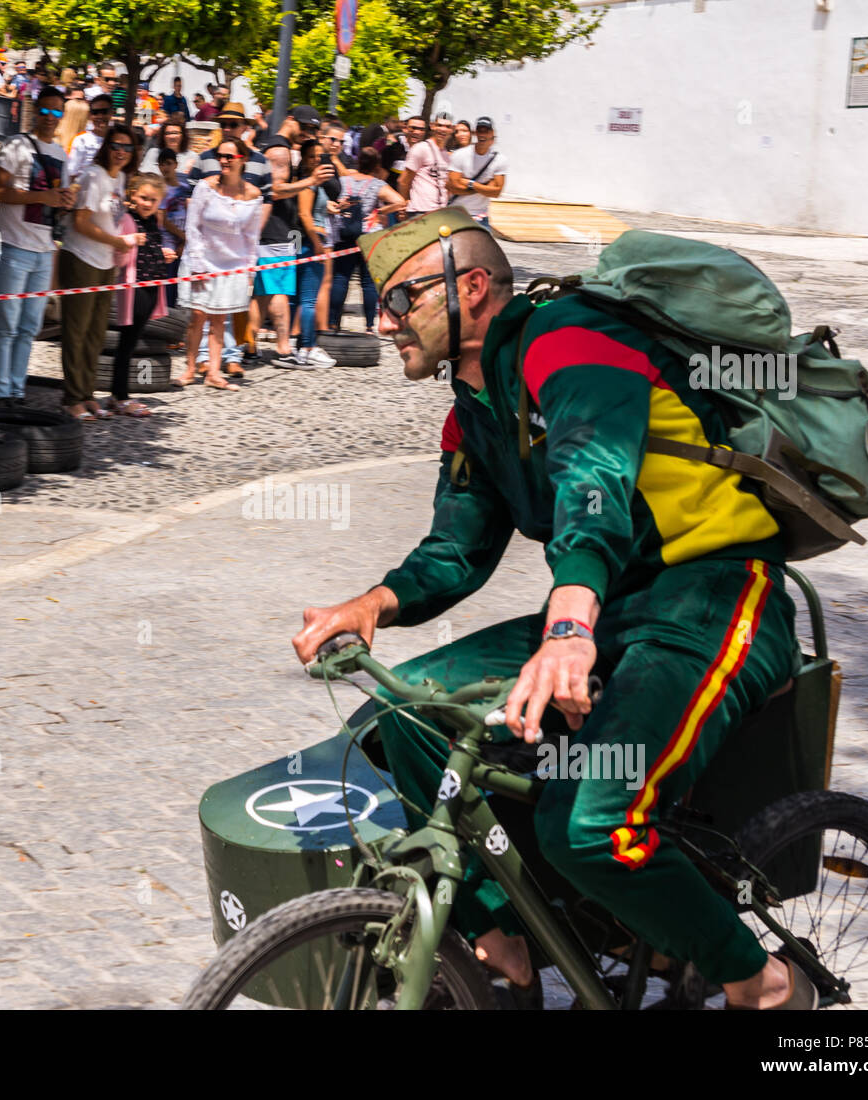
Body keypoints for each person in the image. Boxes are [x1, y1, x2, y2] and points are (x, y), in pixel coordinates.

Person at [292, 208, 811, 1011]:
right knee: (408, 714)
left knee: (591, 821)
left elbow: (593, 479)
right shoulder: (473, 409)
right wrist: (372, 605)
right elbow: (457, 552)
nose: (384, 321)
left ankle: (763, 983)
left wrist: (568, 629)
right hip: (606, 606)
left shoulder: (570, 339)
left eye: (401, 300)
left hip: (711, 595)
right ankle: (510, 949)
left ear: (471, 287)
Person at [0, 85, 73, 408]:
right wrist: (41, 197)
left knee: (29, 326)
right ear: (36, 111)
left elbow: (55, 201)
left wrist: (65, 200)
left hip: (44, 248)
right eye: (46, 111)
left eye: (57, 112)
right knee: (7, 324)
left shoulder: (61, 153)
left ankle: (17, 390)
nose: (51, 118)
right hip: (13, 245)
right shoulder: (17, 145)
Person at [58, 123, 139, 420]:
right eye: (116, 145)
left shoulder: (119, 179)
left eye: (127, 147)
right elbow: (81, 222)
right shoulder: (95, 176)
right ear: (107, 148)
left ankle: (87, 393)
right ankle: (72, 397)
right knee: (76, 331)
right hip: (81, 257)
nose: (121, 151)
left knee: (96, 333)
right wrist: (117, 241)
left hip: (106, 262)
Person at [173, 138, 263, 392]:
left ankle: (213, 371)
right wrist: (198, 263)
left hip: (231, 263)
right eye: (220, 156)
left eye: (229, 157)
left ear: (242, 160)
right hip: (202, 258)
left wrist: (249, 269)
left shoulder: (254, 195)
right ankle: (190, 368)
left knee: (219, 318)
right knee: (198, 316)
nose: (223, 161)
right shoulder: (205, 187)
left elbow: (251, 237)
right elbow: (192, 225)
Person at [108, 173, 173, 416]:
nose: (148, 203)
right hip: (135, 288)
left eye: (153, 200)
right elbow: (119, 255)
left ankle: (120, 394)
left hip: (152, 286)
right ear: (133, 195)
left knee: (132, 341)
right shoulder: (127, 219)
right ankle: (119, 396)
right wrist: (130, 241)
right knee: (127, 342)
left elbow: (149, 248)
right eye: (144, 198)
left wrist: (162, 253)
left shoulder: (154, 221)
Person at [329, 147, 404, 333]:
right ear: (376, 165)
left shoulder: (343, 180)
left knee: (340, 278)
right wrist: (379, 212)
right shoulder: (377, 184)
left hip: (344, 235)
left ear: (358, 161)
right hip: (369, 237)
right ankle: (370, 325)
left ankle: (332, 323)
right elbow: (400, 201)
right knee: (368, 282)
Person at [251, 136, 300, 368]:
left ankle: (249, 347)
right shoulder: (278, 154)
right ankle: (283, 349)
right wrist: (311, 180)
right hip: (276, 239)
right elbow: (277, 188)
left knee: (261, 297)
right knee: (279, 292)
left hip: (272, 237)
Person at [290, 140, 339, 369]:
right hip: (311, 242)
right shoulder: (308, 184)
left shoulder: (315, 185)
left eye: (321, 156)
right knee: (308, 298)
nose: (318, 160)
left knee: (303, 297)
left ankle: (301, 345)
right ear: (304, 159)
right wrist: (317, 243)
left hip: (310, 241)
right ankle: (307, 347)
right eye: (312, 156)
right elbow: (304, 215)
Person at [446, 116, 508, 229]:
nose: (482, 134)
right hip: (456, 215)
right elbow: (452, 187)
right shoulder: (459, 155)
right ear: (475, 133)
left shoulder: (499, 159)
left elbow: (496, 192)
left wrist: (469, 183)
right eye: (480, 130)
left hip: (481, 218)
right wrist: (484, 187)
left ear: (492, 133)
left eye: (486, 131)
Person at [399, 111, 454, 216]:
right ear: (433, 126)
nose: (443, 129)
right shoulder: (421, 148)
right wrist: (404, 204)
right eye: (439, 125)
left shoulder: (446, 155)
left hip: (440, 211)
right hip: (421, 211)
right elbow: (404, 181)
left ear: (452, 130)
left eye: (447, 126)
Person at [158, 149, 189, 307]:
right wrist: (182, 237)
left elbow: (190, 213)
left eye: (169, 163)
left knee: (179, 280)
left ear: (176, 164)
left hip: (183, 241)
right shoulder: (160, 189)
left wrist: (184, 241)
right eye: (162, 164)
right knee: (168, 280)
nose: (165, 167)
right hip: (167, 241)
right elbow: (162, 220)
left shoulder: (184, 188)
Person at [67, 92, 111, 178]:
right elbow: (71, 172)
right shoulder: (81, 140)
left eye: (104, 112)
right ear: (90, 115)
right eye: (95, 112)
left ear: (111, 113)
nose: (100, 116)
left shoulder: (116, 139)